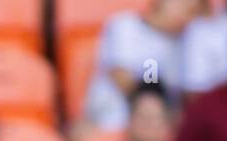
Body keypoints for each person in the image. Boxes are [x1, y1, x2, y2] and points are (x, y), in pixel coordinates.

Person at [83, 0, 195, 130]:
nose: (187, 18)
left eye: (192, 12)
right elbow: (126, 79)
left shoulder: (185, 44)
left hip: (158, 129)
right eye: (186, 8)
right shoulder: (125, 24)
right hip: (110, 120)